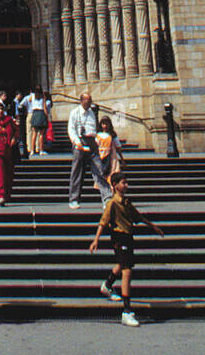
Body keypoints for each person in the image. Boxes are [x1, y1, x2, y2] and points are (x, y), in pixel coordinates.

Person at [90, 171, 164, 327]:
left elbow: (138, 217)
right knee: (127, 270)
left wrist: (153, 227)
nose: (126, 185)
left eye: (126, 182)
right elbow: (103, 222)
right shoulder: (113, 203)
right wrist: (96, 240)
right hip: (119, 237)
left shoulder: (126, 202)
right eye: (123, 183)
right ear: (115, 186)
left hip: (128, 237)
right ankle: (126, 311)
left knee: (123, 264)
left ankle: (107, 285)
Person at [68, 91, 112, 208]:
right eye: (87, 100)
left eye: (90, 100)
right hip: (80, 142)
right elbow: (71, 129)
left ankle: (107, 197)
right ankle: (74, 199)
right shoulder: (75, 113)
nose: (89, 103)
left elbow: (94, 129)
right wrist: (77, 143)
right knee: (77, 172)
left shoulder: (92, 113)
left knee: (99, 169)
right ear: (81, 101)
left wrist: (96, 140)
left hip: (92, 143)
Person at [24, 86, 48, 157]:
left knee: (34, 133)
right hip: (41, 113)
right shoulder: (43, 97)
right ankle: (41, 150)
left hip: (35, 113)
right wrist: (47, 116)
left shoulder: (32, 96)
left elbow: (30, 100)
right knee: (41, 134)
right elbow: (44, 108)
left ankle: (32, 150)